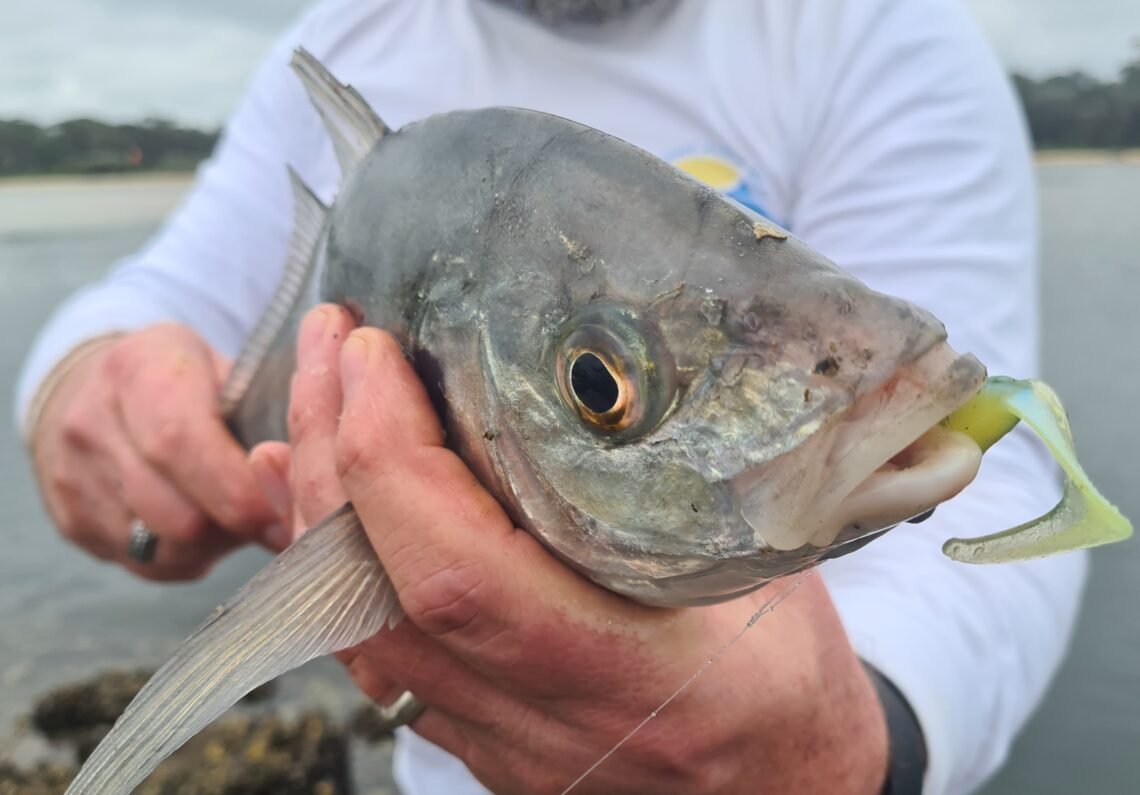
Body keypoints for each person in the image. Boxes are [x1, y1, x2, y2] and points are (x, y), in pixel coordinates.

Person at [16, 1, 1086, 793]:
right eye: (601, 387)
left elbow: (990, 482)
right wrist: (90, 393)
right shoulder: (360, 26)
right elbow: (160, 297)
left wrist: (846, 749)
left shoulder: (876, 37)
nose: (606, 392)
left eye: (599, 389)